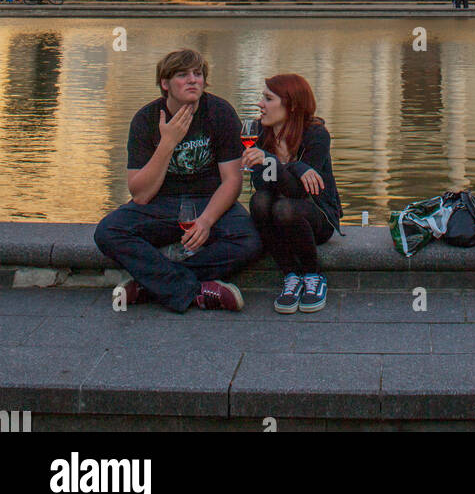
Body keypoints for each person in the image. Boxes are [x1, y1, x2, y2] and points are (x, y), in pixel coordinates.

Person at [94, 48, 262, 312]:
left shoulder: (220, 112)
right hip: (161, 204)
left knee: (249, 240)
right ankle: (196, 290)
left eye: (198, 74)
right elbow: (140, 195)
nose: (193, 80)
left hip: (208, 201)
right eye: (183, 75)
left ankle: (153, 283)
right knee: (108, 232)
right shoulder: (145, 120)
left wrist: (206, 221)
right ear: (165, 83)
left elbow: (231, 180)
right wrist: (167, 143)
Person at [244, 73, 342, 315]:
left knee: (284, 208)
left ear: (292, 105)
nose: (260, 104)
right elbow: (261, 184)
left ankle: (313, 275)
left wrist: (277, 163)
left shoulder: (316, 135)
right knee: (259, 201)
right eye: (262, 98)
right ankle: (290, 275)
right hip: (277, 213)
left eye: (268, 99)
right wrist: (290, 166)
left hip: (314, 216)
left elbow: (300, 191)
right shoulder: (256, 131)